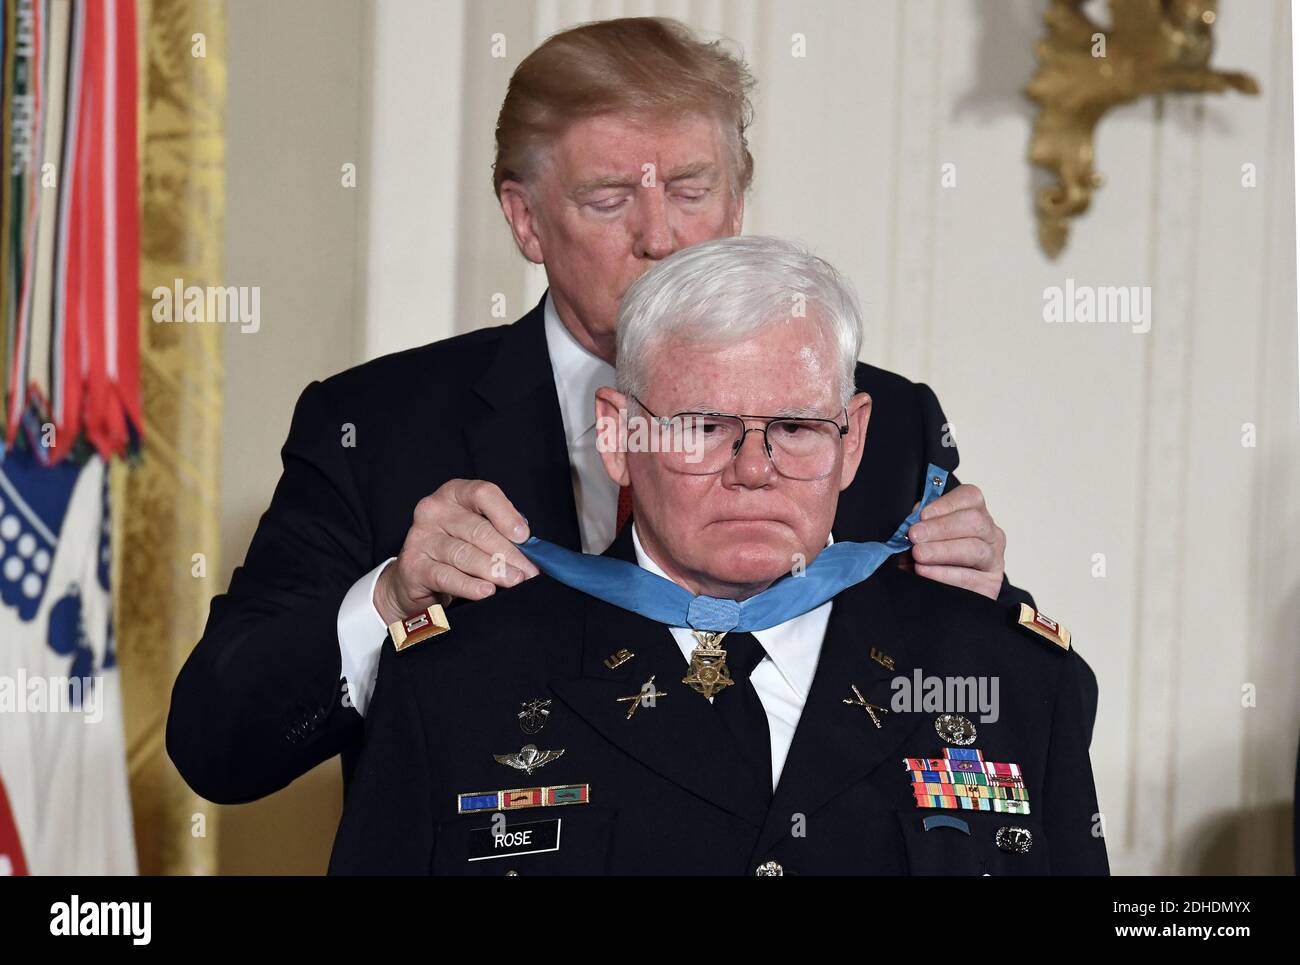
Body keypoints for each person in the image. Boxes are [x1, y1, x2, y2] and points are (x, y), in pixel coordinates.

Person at [167, 17, 1095, 806]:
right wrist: (387, 599)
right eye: (610, 199)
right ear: (525, 220)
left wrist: (986, 598)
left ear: (737, 200)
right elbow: (218, 743)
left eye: (691, 190)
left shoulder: (880, 418)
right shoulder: (376, 425)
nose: (661, 236)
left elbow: (983, 731)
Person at [328, 237, 1108, 875]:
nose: (754, 467)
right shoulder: (456, 683)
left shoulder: (1009, 679)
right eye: (702, 426)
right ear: (618, 435)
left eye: (798, 428)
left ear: (854, 439)